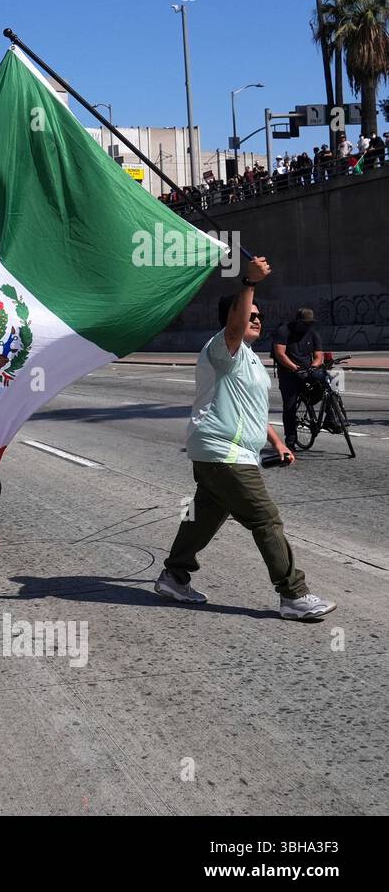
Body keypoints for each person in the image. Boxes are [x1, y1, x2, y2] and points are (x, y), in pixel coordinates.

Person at [154, 257, 336, 621]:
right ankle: (293, 596)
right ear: (232, 319)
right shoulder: (224, 348)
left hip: (226, 452)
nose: (257, 319)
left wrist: (277, 441)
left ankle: (174, 576)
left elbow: (250, 408)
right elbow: (236, 325)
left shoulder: (249, 359)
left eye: (260, 316)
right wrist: (248, 282)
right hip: (224, 451)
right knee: (266, 519)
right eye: (250, 314)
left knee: (203, 517)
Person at [271, 308, 327, 450]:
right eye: (304, 323)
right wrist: (294, 368)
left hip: (307, 371)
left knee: (325, 385)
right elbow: (280, 354)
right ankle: (290, 441)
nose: (307, 326)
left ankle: (331, 419)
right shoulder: (284, 331)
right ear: (297, 321)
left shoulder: (313, 333)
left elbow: (319, 355)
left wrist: (313, 367)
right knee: (289, 407)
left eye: (310, 323)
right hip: (288, 373)